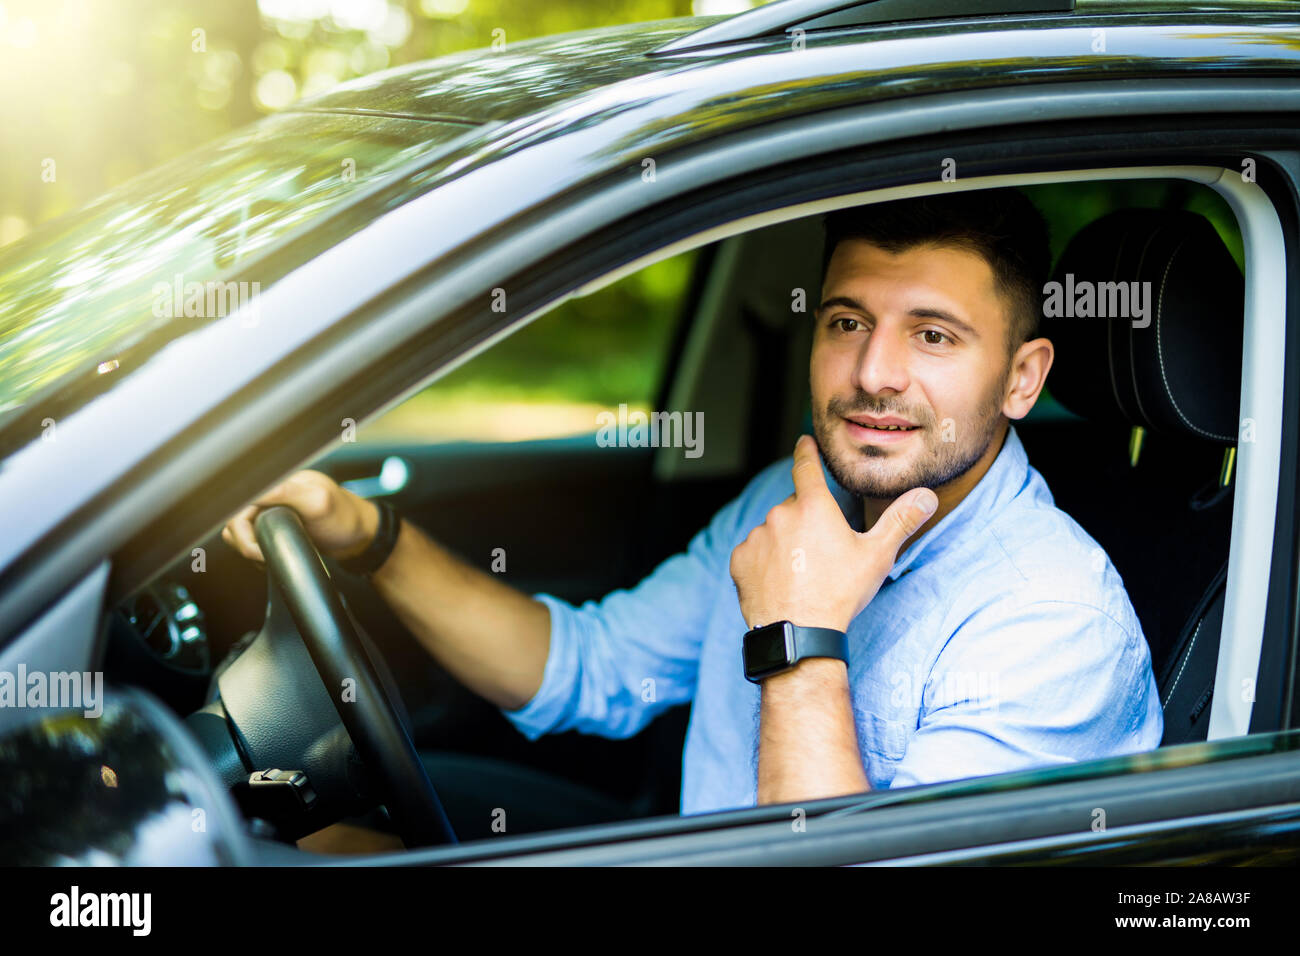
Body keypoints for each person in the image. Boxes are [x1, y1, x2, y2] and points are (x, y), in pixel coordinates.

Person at [222, 188, 1162, 827]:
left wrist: (800, 634)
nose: (875, 373)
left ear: (1022, 378)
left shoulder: (1055, 625)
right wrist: (371, 538)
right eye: (846, 323)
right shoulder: (786, 502)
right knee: (325, 827)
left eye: (934, 334)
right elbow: (587, 669)